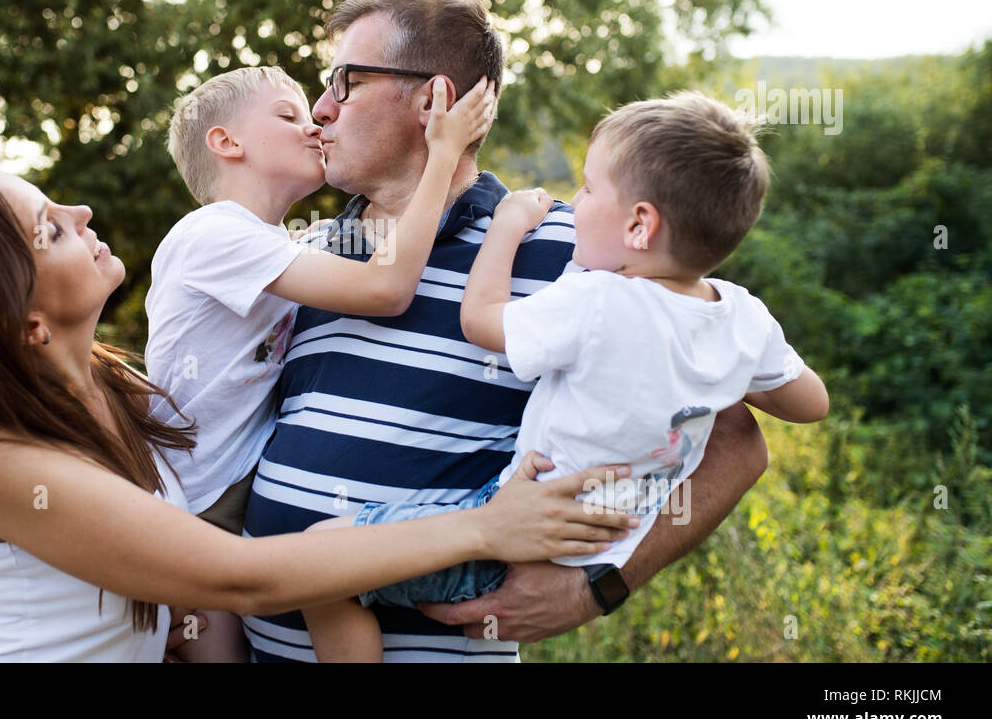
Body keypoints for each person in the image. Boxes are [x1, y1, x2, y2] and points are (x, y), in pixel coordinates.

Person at [0, 169, 638, 662]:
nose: (82, 215)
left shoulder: (118, 388)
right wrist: (488, 529)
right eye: (49, 229)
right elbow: (237, 576)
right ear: (24, 321)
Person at [240, 0, 772, 663]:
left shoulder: (575, 254)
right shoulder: (306, 256)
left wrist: (598, 587)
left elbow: (736, 440)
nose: (322, 108)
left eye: (346, 80)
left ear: (432, 100)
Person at [302, 92, 830, 661]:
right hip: (599, 546)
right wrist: (707, 361)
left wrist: (507, 226)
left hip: (513, 540)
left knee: (318, 561)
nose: (571, 201)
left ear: (638, 225)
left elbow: (480, 322)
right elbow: (810, 403)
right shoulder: (743, 316)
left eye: (587, 187)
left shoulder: (597, 298)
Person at [145, 64, 494, 660]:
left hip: (224, 499)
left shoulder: (286, 245)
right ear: (226, 143)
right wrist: (441, 153)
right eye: (288, 116)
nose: (314, 126)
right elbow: (386, 289)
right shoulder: (213, 235)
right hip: (192, 512)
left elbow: (375, 246)